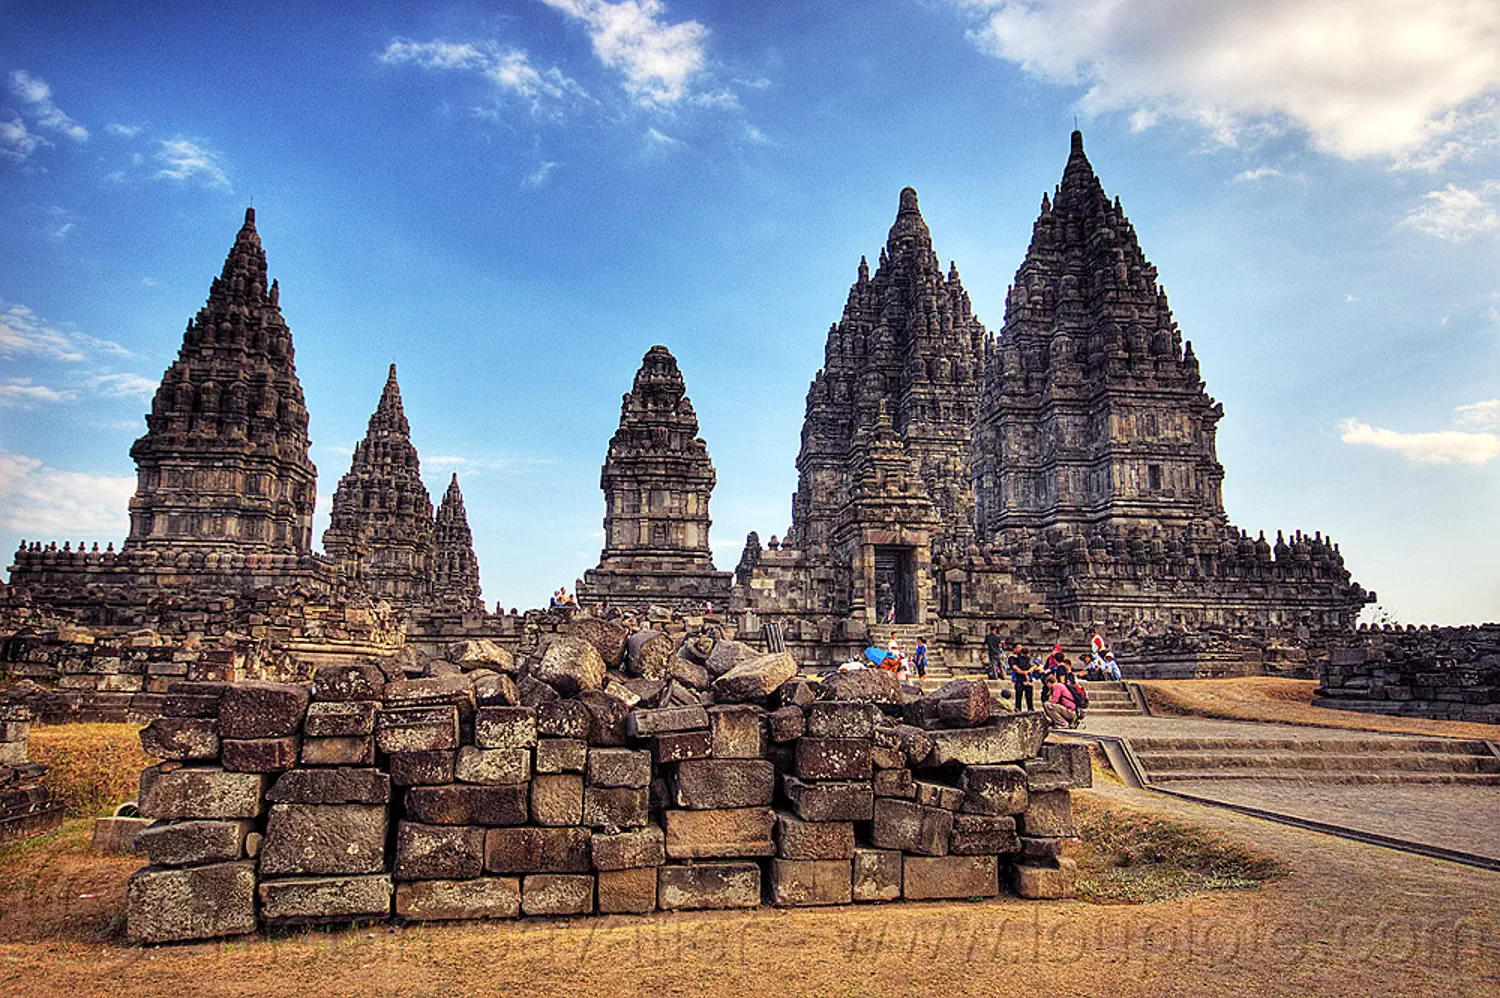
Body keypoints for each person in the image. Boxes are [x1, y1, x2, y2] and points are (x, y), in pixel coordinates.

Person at [1009, 643, 1034, 711]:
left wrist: (1028, 672)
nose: (1020, 649)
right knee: (1018, 696)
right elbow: (1015, 668)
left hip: (1028, 679)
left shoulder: (1027, 658)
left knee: (1029, 696)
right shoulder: (1013, 658)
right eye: (1018, 647)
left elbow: (1032, 666)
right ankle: (1018, 710)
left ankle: (1030, 710)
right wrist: (1025, 673)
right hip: (1019, 679)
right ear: (1014, 649)